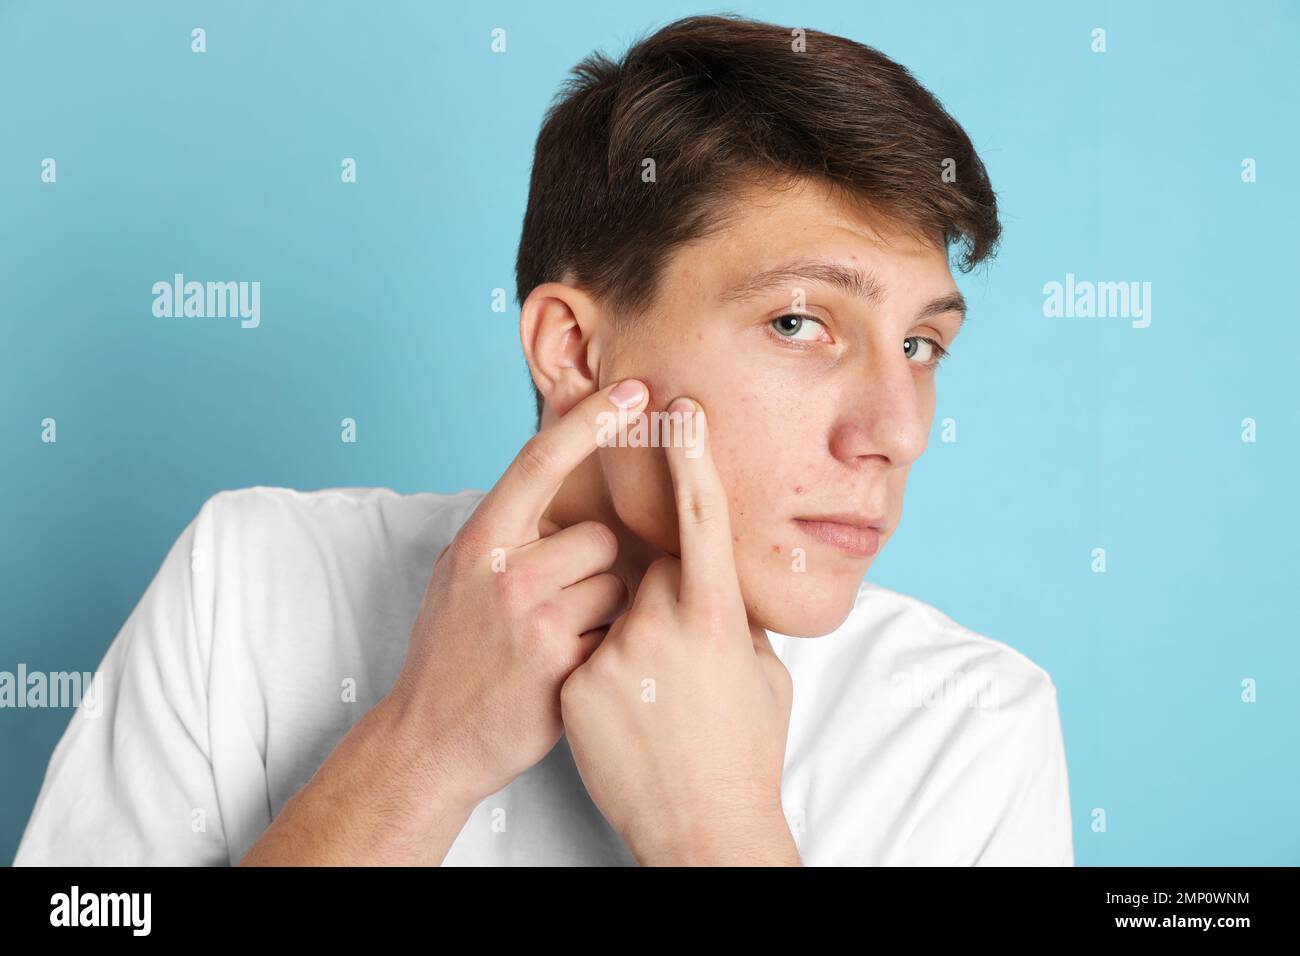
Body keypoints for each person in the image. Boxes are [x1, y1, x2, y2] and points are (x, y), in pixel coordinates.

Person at [13, 14, 1073, 866]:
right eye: (798, 322)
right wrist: (418, 753)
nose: (896, 429)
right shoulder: (245, 583)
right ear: (572, 350)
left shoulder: (971, 724)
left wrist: (719, 838)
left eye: (922, 344)